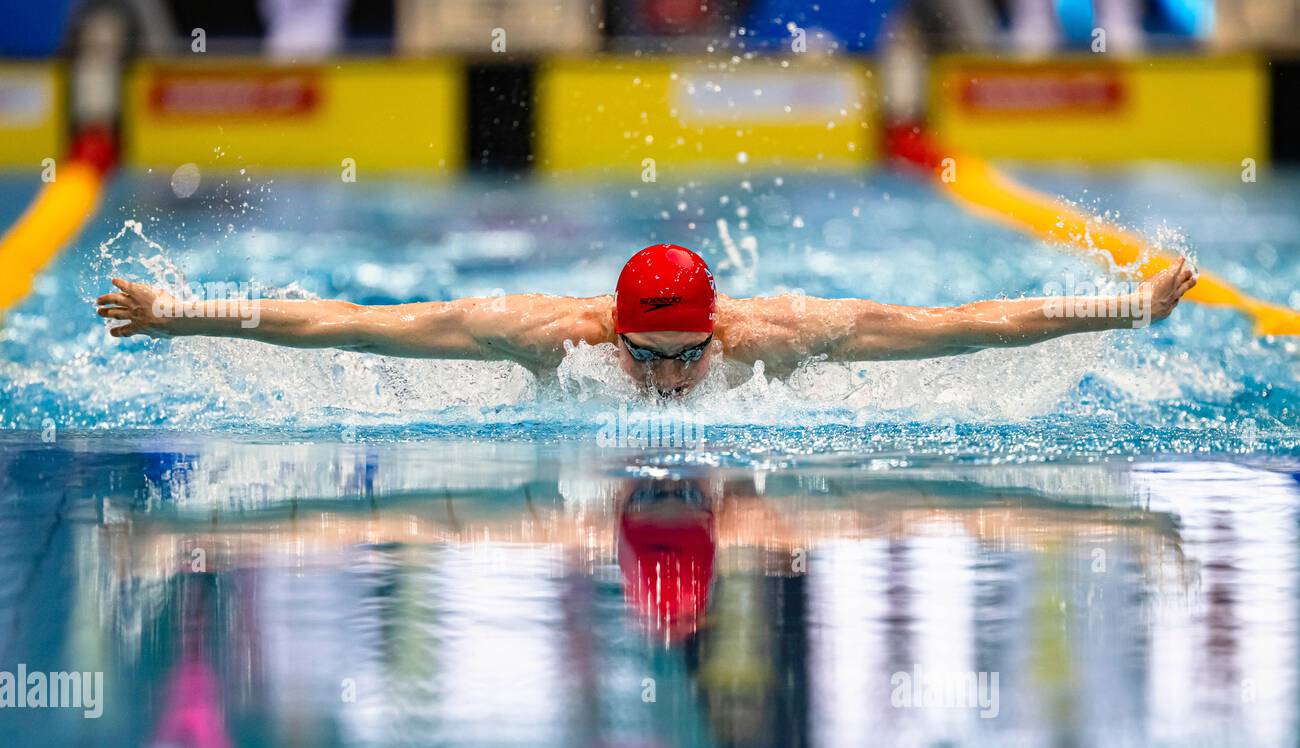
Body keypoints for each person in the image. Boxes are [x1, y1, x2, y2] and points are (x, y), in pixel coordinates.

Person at [96, 243, 1197, 399]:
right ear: (608, 335)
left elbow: (971, 322)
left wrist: (1127, 305)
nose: (668, 382)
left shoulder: (784, 332)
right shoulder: (539, 331)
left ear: (721, 332)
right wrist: (180, 311)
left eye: (688, 356)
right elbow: (340, 321)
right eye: (646, 356)